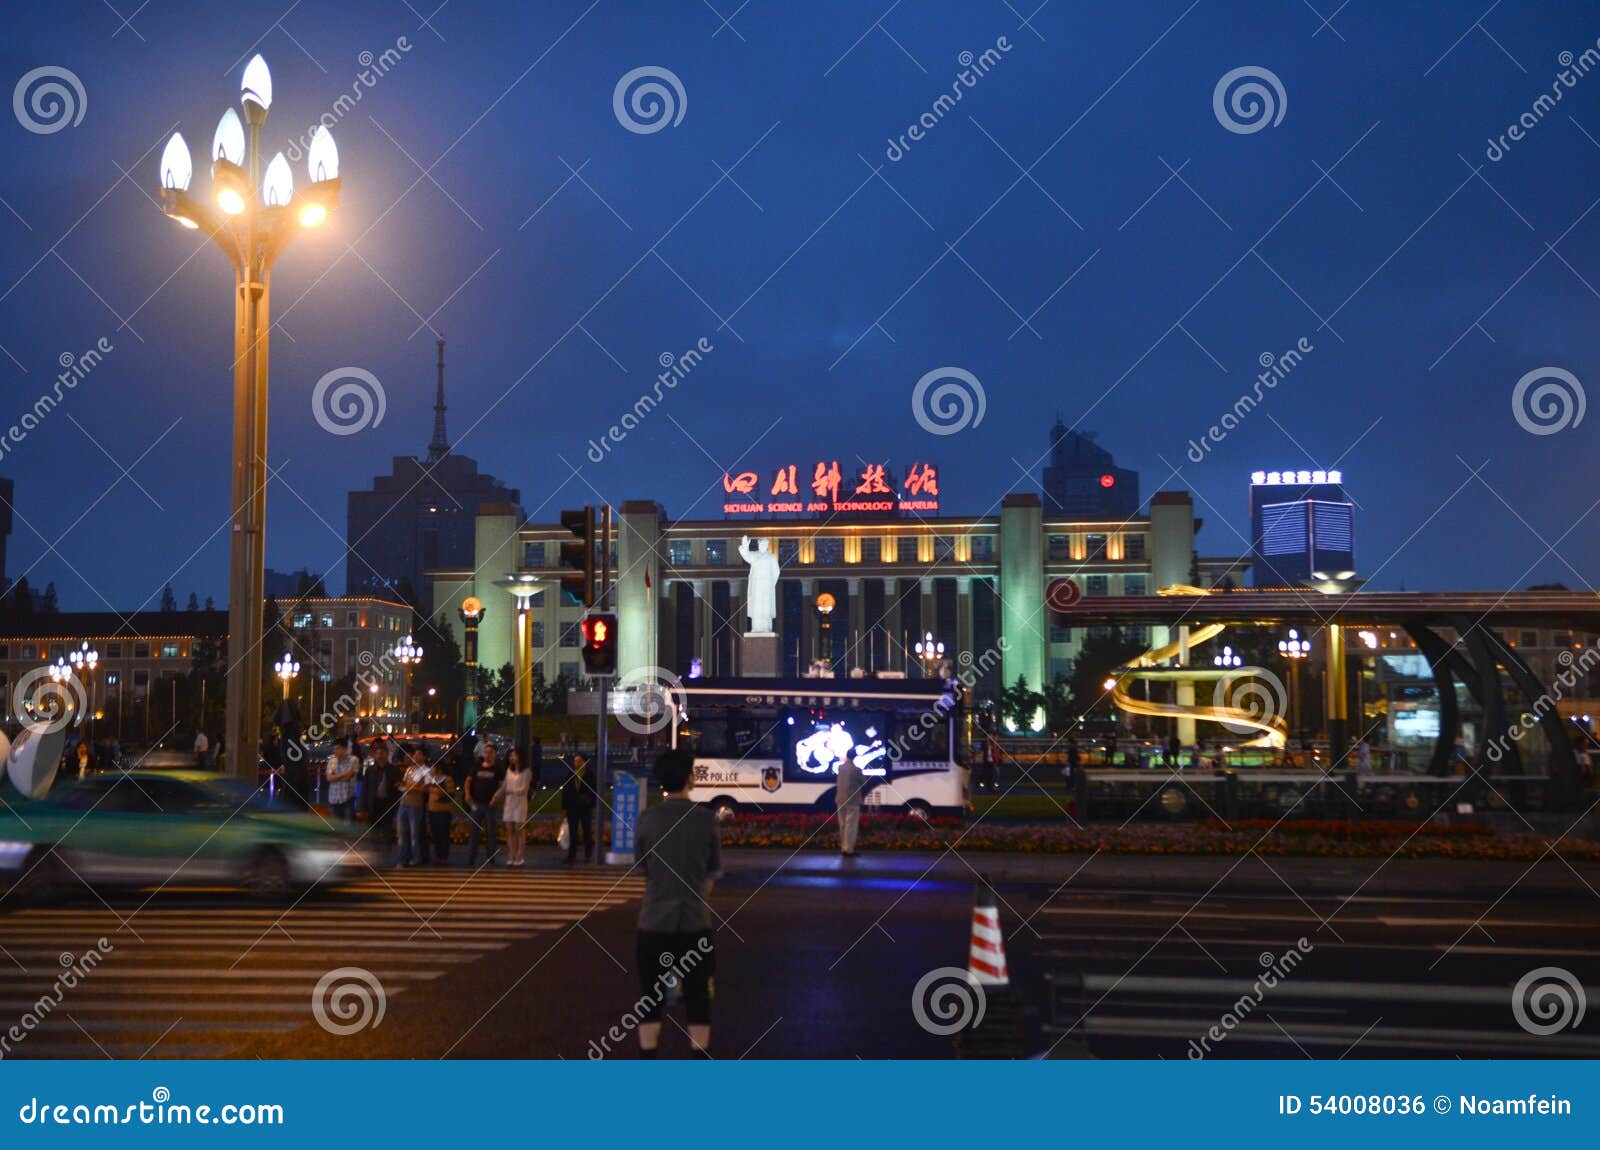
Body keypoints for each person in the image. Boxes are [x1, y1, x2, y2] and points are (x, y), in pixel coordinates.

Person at [634, 748, 722, 1059]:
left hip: (653, 923)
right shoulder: (706, 820)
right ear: (690, 777)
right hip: (695, 922)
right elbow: (712, 871)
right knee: (698, 996)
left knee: (650, 997)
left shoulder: (647, 820)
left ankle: (648, 1061)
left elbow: (643, 868)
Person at [465, 743, 503, 867]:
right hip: (477, 804)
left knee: (491, 832)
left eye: (490, 752)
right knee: (474, 832)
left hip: (490, 805)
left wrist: (496, 797)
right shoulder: (477, 766)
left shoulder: (498, 768)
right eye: (486, 752)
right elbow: (468, 781)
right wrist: (467, 794)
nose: (487, 755)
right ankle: (471, 857)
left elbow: (502, 786)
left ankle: (490, 858)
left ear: (495, 754)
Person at [494, 748, 532, 866]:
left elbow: (523, 789)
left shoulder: (527, 772)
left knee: (519, 829)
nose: (512, 758)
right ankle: (511, 854)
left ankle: (520, 856)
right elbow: (504, 786)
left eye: (514, 755)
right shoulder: (508, 771)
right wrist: (496, 795)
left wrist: (510, 791)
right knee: (510, 830)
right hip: (509, 803)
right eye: (510, 756)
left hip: (520, 803)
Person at [397, 748, 431, 867]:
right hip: (403, 803)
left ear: (424, 757)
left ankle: (416, 858)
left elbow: (426, 788)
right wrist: (406, 787)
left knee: (414, 834)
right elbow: (404, 784)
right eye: (414, 754)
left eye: (418, 754)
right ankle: (403, 858)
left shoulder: (426, 770)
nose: (414, 757)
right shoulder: (409, 769)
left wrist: (411, 788)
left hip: (415, 805)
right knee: (402, 833)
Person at [561, 753, 596, 865]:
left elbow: (594, 791)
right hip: (572, 808)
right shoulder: (570, 774)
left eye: (579, 761)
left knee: (587, 832)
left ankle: (588, 855)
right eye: (575, 761)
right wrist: (565, 808)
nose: (577, 763)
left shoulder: (590, 775)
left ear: (585, 762)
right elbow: (565, 792)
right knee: (573, 832)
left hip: (585, 808)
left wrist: (590, 801)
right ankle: (571, 856)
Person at [835, 748, 866, 857]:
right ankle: (849, 850)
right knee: (851, 825)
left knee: (842, 825)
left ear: (847, 755)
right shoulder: (856, 770)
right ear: (855, 757)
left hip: (840, 799)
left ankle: (844, 847)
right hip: (852, 800)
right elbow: (863, 782)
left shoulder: (840, 768)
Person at [425, 758, 456, 865]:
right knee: (435, 833)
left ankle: (443, 855)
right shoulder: (431, 779)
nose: (431, 768)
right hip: (432, 810)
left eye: (433, 766)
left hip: (443, 811)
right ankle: (437, 855)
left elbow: (450, 794)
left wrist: (434, 790)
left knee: (443, 833)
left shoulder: (447, 779)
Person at [325, 741, 358, 822]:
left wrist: (335, 776)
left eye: (337, 748)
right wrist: (345, 773)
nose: (335, 751)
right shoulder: (332, 761)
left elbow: (348, 778)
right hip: (333, 799)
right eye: (334, 749)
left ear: (345, 749)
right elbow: (329, 778)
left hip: (347, 799)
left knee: (348, 826)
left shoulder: (353, 760)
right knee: (335, 826)